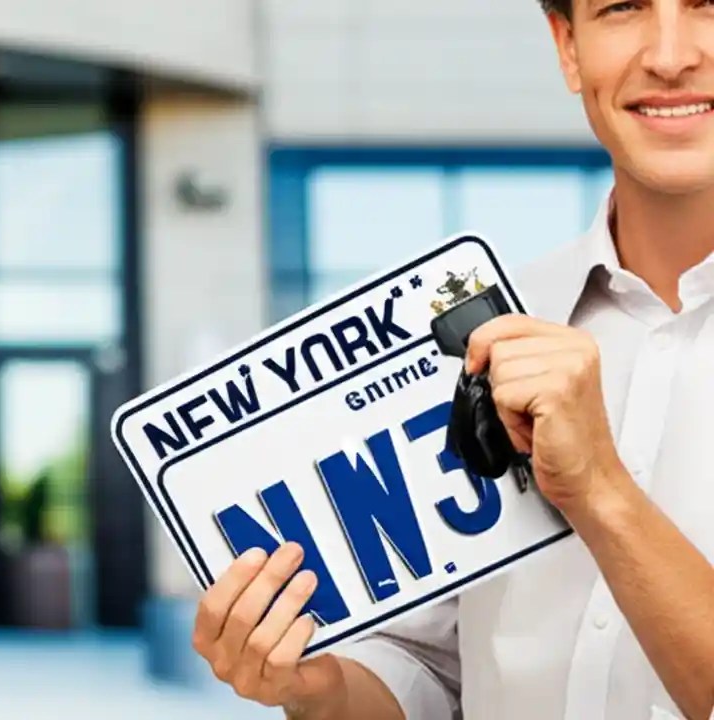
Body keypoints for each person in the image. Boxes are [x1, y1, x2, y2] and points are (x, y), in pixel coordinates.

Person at [190, 0, 714, 718]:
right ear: (568, 46)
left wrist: (602, 493)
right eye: (622, 6)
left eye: (707, 5)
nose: (670, 54)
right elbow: (423, 671)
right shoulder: (484, 334)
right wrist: (315, 688)